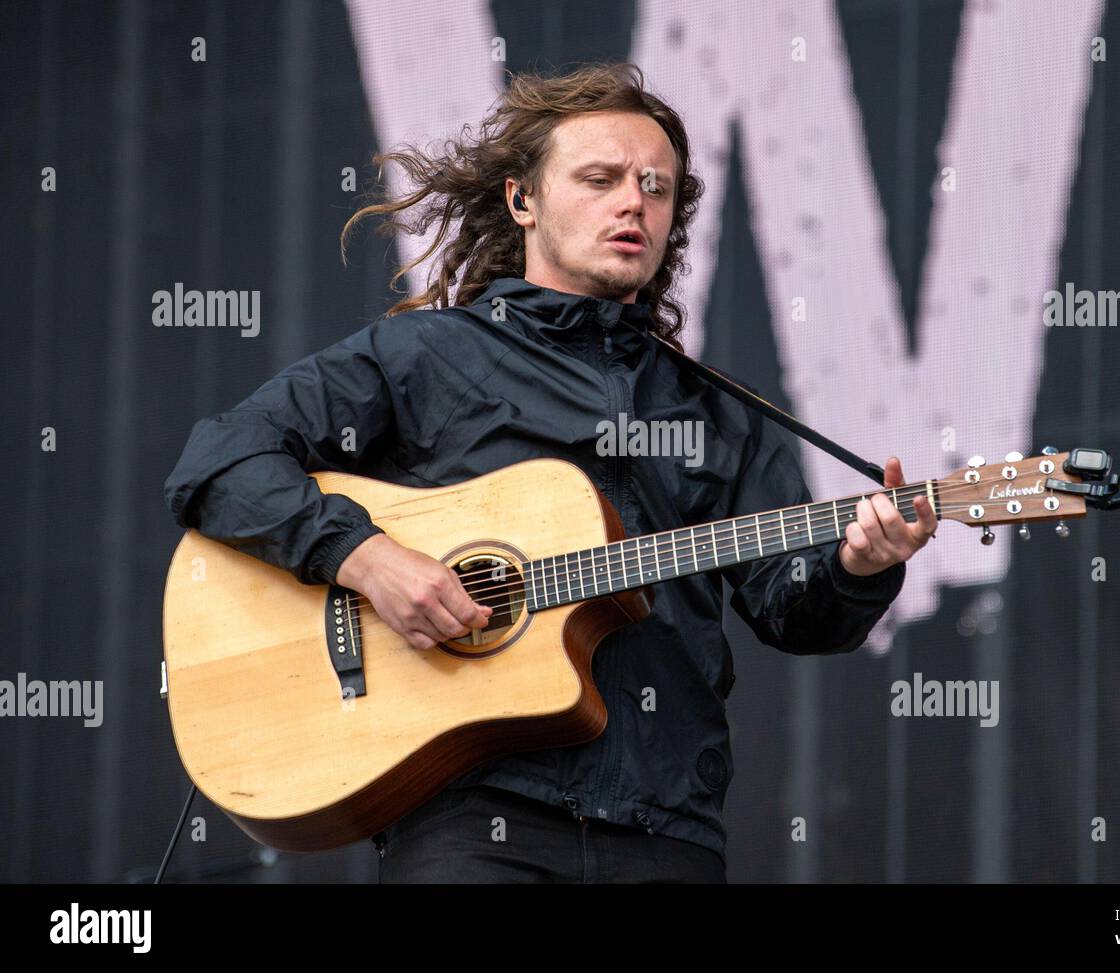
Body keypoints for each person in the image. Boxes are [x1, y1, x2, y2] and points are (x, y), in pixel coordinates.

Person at [162, 62, 936, 884]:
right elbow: (220, 461)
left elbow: (796, 611)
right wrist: (367, 559)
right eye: (600, 179)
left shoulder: (718, 413)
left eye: (657, 188)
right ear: (521, 200)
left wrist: (858, 567)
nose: (634, 203)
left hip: (666, 827)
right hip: (472, 817)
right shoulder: (427, 354)